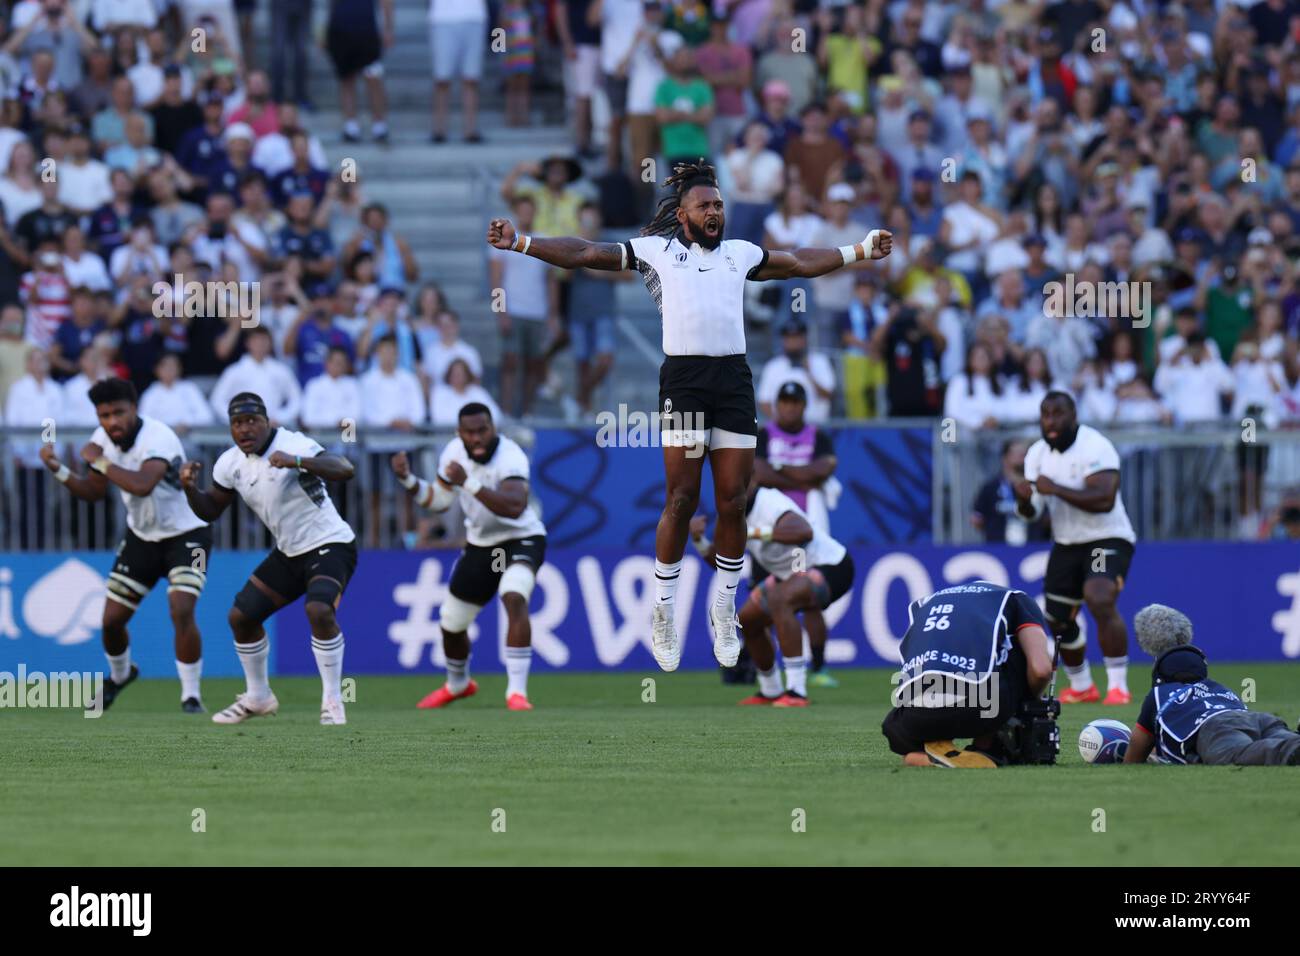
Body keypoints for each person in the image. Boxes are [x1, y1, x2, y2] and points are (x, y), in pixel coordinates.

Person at [486, 158, 892, 672]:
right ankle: (663, 609)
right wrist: (522, 242)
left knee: (732, 502)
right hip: (683, 380)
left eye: (719, 204)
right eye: (705, 205)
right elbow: (586, 251)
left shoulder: (740, 254)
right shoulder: (656, 251)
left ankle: (723, 609)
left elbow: (797, 263)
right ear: (683, 215)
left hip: (734, 381)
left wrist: (858, 251)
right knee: (681, 497)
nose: (714, 211)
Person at [180, 392, 358, 725]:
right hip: (289, 552)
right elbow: (211, 510)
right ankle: (258, 697)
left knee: (319, 610)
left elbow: (344, 468)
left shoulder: (294, 443)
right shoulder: (229, 463)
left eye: (252, 421)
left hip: (331, 544)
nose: (245, 429)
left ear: (268, 421)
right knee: (241, 617)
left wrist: (297, 461)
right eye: (237, 423)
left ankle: (333, 701)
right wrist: (190, 488)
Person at [38, 378, 211, 712]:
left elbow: (143, 484)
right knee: (110, 621)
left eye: (119, 412)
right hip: (141, 538)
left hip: (193, 537)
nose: (112, 422)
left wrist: (100, 462)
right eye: (104, 415)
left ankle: (191, 695)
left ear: (134, 409)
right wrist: (58, 469)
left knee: (183, 608)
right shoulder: (101, 439)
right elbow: (93, 491)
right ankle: (120, 675)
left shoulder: (158, 436)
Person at [392, 402, 547, 710]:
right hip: (482, 545)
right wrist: (409, 481)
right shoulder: (452, 452)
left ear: (493, 429)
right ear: (458, 433)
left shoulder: (510, 455)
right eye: (470, 432)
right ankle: (458, 684)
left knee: (513, 594)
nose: (477, 439)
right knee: (451, 622)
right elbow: (439, 501)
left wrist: (468, 482)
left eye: (482, 431)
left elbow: (514, 507)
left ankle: (517, 692)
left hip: (521, 538)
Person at [1013, 391, 1136, 706]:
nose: (1051, 422)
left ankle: (1118, 686)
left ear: (1074, 416)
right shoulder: (1037, 454)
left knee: (1098, 597)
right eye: (1045, 415)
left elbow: (1104, 499)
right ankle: (1082, 684)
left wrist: (1054, 488)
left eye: (1058, 414)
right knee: (1055, 620)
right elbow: (1034, 513)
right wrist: (1024, 501)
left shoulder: (1095, 445)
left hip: (1103, 538)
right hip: (1067, 543)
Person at [690, 480, 853, 707]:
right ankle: (771, 690)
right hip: (789, 574)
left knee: (780, 600)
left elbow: (803, 531)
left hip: (830, 565)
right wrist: (699, 541)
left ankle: (797, 692)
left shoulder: (769, 501)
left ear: (753, 480)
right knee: (748, 620)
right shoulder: (729, 516)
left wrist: (753, 532)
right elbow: (723, 563)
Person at [882, 580, 1055, 769]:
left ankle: (923, 755)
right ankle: (985, 747)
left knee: (895, 724)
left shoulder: (925, 603)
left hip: (914, 720)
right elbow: (1041, 670)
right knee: (1016, 652)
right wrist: (1031, 704)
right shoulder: (1016, 598)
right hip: (983, 710)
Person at [1123, 604, 1300, 766]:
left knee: (1236, 754)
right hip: (1260, 719)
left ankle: (1289, 750)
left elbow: (1136, 751)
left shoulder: (1159, 695)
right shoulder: (1219, 688)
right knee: (1281, 736)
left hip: (1216, 729)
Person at [752, 380, 841, 687]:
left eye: (795, 402)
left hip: (804, 531)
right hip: (772, 531)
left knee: (810, 600)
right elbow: (759, 473)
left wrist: (780, 470)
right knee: (762, 599)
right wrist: (802, 477)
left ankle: (818, 666)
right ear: (777, 405)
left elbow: (823, 471)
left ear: (804, 405)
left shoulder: (818, 436)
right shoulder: (764, 435)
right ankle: (769, 670)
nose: (789, 407)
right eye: (784, 402)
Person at [328, 0, 393, 143]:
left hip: (367, 30)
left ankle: (379, 125)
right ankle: (351, 125)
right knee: (346, 78)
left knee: (373, 77)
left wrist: (388, 28)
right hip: (341, 28)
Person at [428, 0, 486, 143]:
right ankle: (439, 130)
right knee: (442, 79)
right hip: (442, 18)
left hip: (474, 17)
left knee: (471, 78)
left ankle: (470, 130)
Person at [972, 438, 1049, 545]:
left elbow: (1047, 518)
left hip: (1032, 549)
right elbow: (977, 520)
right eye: (1018, 453)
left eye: (1025, 454)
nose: (1023, 457)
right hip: (998, 549)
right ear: (1005, 458)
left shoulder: (1037, 486)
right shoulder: (990, 488)